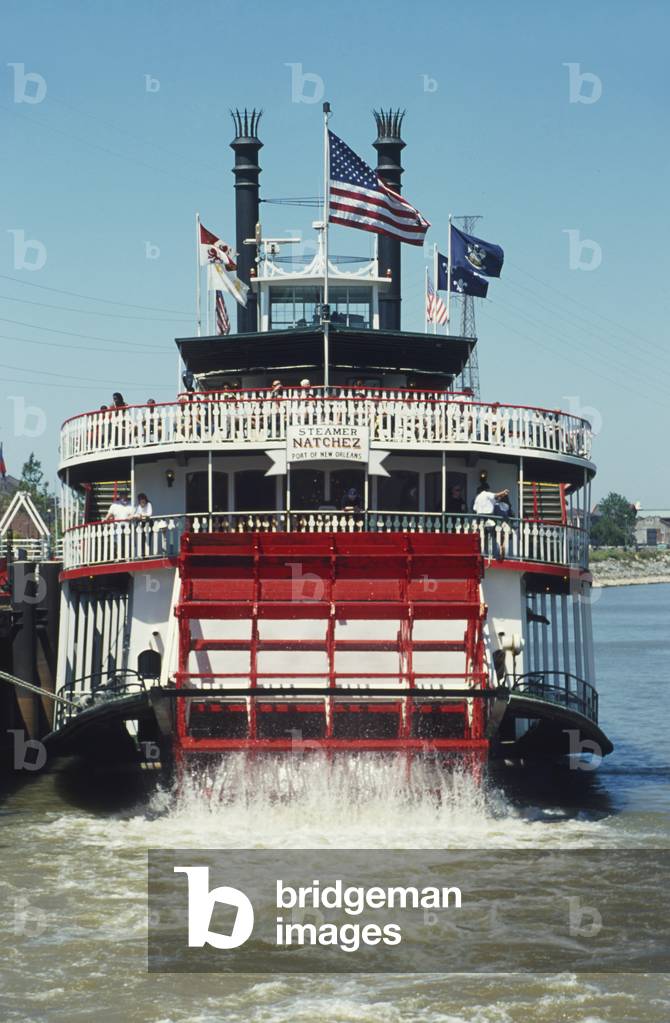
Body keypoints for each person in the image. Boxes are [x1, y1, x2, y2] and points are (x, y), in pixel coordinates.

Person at [473, 486, 510, 560]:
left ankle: (482, 554)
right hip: (489, 518)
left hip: (479, 519)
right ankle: (497, 553)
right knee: (496, 535)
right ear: (485, 490)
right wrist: (503, 492)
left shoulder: (477, 498)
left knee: (482, 537)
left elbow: (474, 508)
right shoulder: (486, 494)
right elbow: (495, 495)